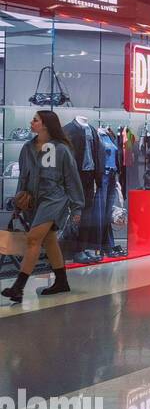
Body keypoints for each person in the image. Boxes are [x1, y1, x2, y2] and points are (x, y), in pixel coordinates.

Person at [3, 111, 85, 302]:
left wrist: (77, 207)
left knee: (33, 240)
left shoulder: (62, 150)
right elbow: (23, 176)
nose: (31, 122)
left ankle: (18, 287)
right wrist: (18, 201)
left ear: (46, 124)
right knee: (49, 241)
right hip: (34, 201)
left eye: (35, 120)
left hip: (54, 200)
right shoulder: (27, 147)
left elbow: (72, 180)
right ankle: (62, 281)